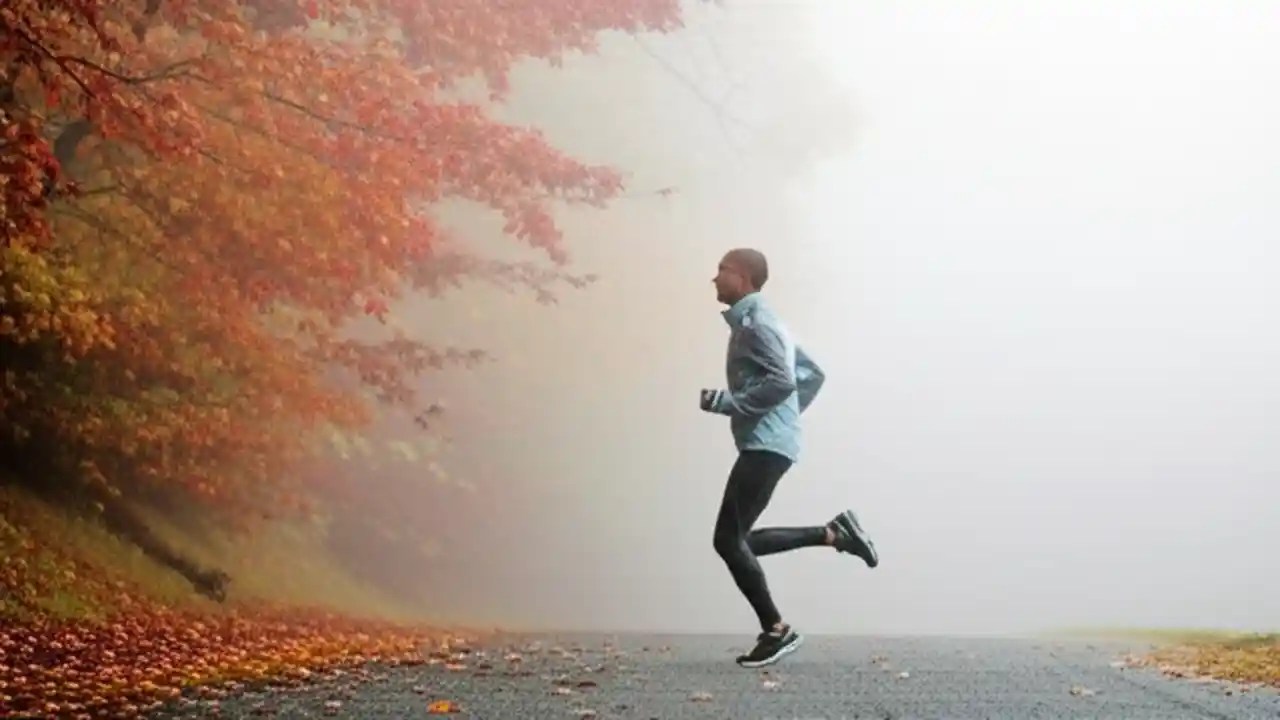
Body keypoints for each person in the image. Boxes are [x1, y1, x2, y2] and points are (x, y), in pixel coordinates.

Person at [699, 248, 879, 668]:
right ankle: (833, 534)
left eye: (722, 271)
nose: (714, 279)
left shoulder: (755, 324)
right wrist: (786, 418)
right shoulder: (767, 320)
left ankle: (777, 630)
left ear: (742, 278)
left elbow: (782, 381)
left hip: (766, 443)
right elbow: (811, 374)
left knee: (728, 540)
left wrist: (729, 402)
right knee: (736, 541)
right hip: (772, 440)